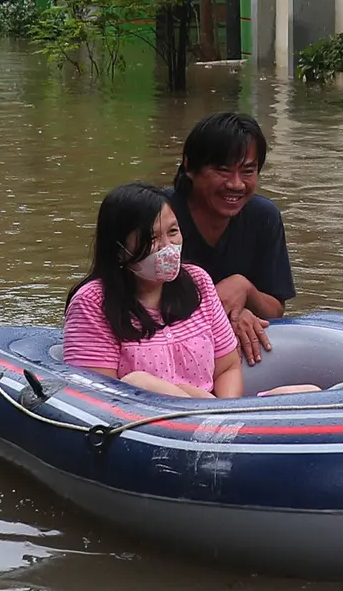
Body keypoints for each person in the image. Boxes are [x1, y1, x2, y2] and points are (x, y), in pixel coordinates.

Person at [63, 183, 242, 399]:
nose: (168, 247)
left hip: (211, 413)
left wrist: (225, 414)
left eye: (173, 232)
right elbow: (97, 393)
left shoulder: (198, 282)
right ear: (120, 251)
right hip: (143, 420)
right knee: (138, 381)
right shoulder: (93, 303)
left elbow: (227, 367)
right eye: (152, 239)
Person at [169, 111, 294, 364]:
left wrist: (246, 291)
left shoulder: (264, 217)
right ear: (189, 166)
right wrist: (222, 313)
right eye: (223, 171)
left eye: (248, 171)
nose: (236, 184)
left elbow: (276, 310)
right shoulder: (158, 216)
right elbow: (132, 302)